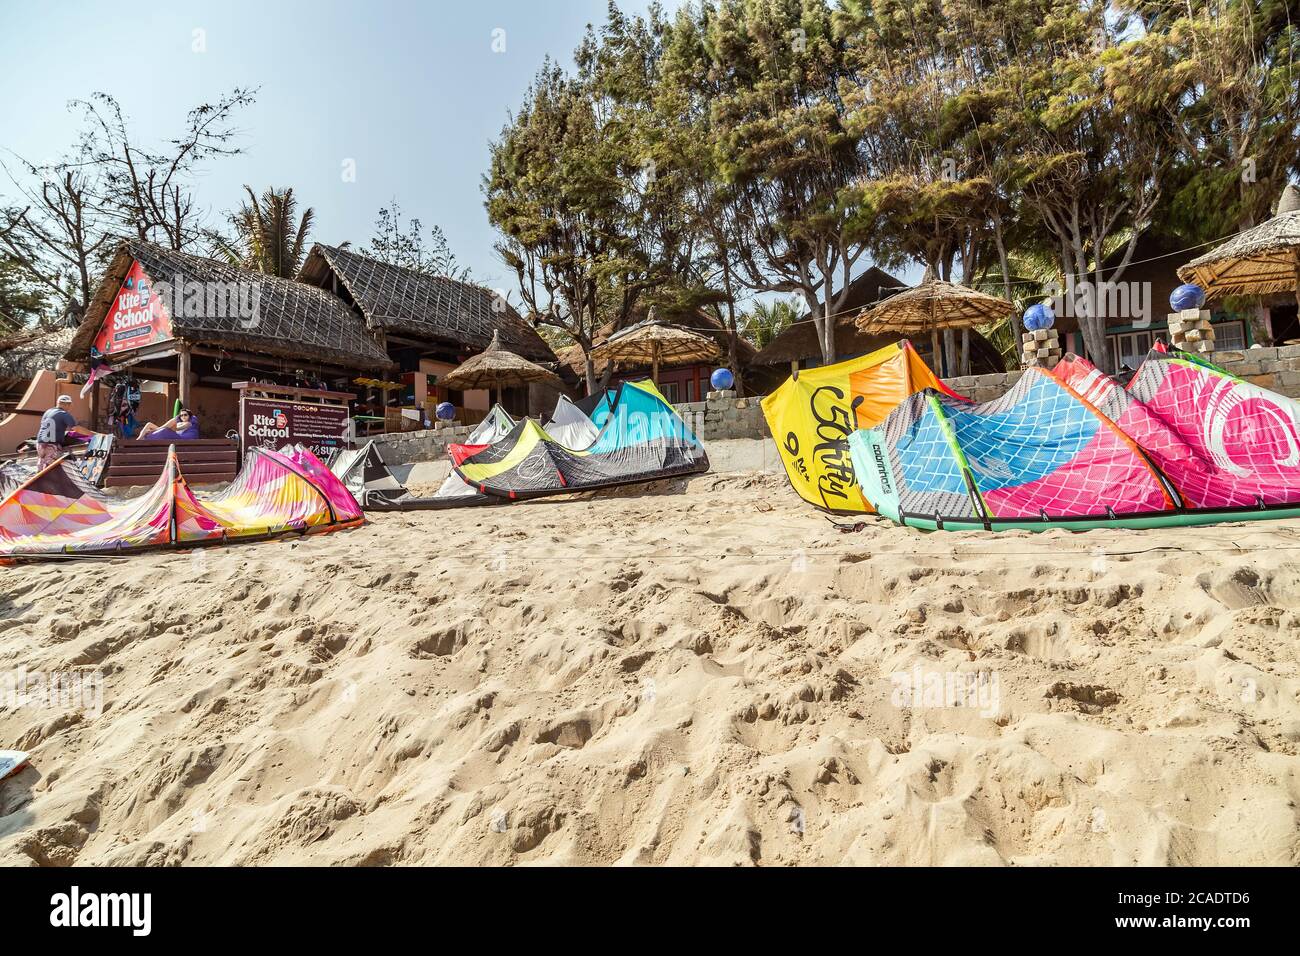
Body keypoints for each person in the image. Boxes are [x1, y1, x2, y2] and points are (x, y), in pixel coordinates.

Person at [36, 395, 79, 470]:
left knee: (41, 465)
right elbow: (76, 428)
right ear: (67, 404)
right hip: (52, 445)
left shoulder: (48, 412)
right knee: (50, 469)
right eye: (69, 405)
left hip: (40, 444)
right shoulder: (64, 414)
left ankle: (37, 481)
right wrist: (93, 434)